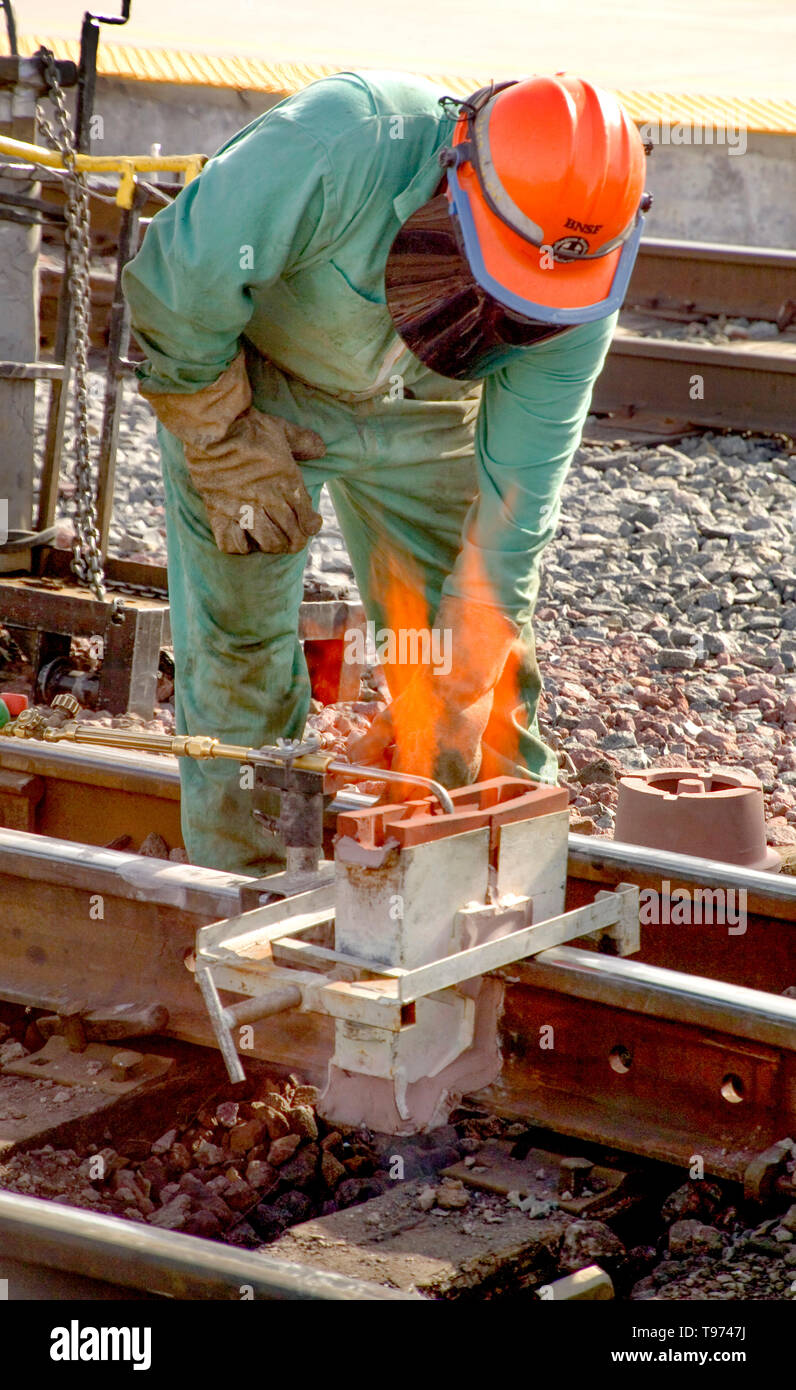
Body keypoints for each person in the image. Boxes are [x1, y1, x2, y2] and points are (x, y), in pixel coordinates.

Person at [123, 70, 649, 874]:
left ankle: (483, 875)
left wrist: (462, 673)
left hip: (430, 414)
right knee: (236, 645)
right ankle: (248, 882)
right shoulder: (337, 145)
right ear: (454, 176)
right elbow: (179, 287)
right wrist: (221, 436)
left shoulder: (581, 287)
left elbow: (518, 501)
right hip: (261, 391)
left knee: (476, 670)